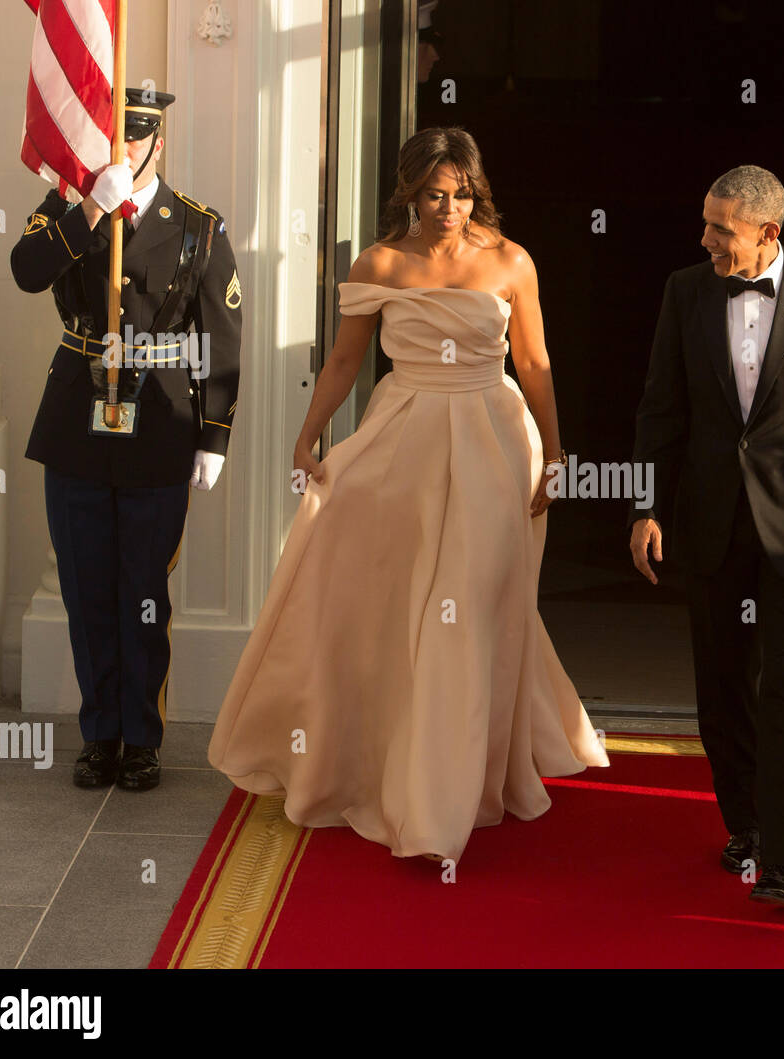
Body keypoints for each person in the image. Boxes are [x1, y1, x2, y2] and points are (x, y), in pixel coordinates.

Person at [207, 127, 608, 864]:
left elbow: (536, 360)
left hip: (494, 440)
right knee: (398, 604)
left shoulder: (511, 261)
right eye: (433, 194)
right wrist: (308, 436)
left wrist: (555, 453)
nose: (448, 207)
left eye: (460, 194)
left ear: (475, 191)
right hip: (404, 442)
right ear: (409, 192)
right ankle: (395, 774)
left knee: (467, 607)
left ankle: (456, 791)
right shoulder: (380, 263)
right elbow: (344, 361)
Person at [628, 165, 784, 907]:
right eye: (706, 223)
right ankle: (747, 823)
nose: (705, 239)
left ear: (768, 231)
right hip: (710, 523)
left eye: (721, 229)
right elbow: (659, 409)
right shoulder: (687, 290)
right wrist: (647, 505)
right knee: (722, 684)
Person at [12, 87, 242, 793]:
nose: (123, 154)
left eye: (136, 142)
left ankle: (141, 738)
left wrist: (214, 436)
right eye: (113, 143)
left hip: (160, 425)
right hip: (78, 420)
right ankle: (100, 734)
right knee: (87, 590)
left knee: (143, 590)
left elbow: (222, 340)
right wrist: (89, 210)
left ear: (157, 145)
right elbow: (26, 271)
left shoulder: (198, 227)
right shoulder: (67, 208)